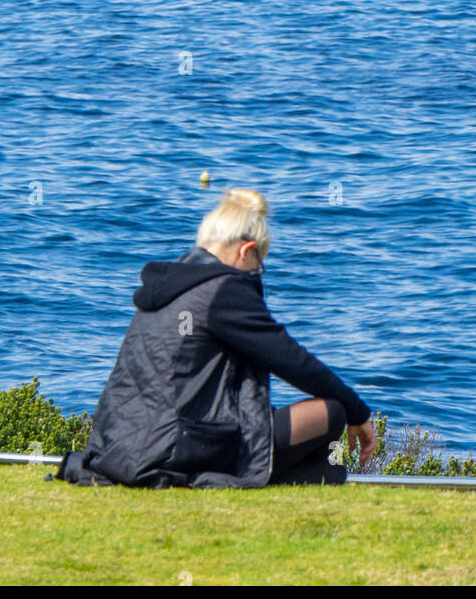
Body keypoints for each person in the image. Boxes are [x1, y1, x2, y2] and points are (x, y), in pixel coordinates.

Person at [57, 188, 376, 488]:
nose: (256, 275)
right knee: (333, 412)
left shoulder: (167, 289)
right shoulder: (224, 290)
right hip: (174, 448)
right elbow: (292, 361)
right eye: (258, 266)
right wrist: (357, 412)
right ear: (246, 251)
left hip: (120, 448)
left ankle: (313, 476)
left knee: (285, 426)